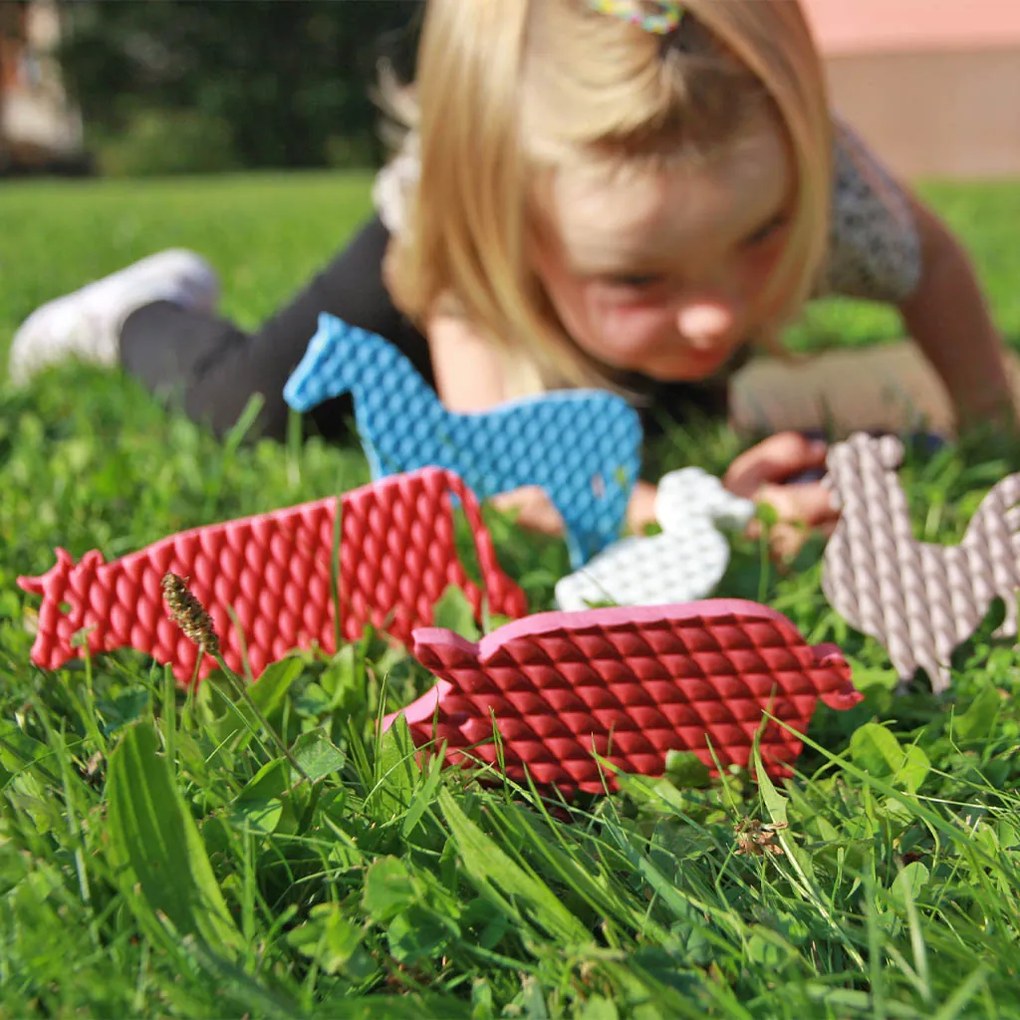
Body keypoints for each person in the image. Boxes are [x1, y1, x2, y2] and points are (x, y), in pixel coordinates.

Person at [9, 0, 1016, 545]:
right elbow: (500, 479)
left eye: (760, 240)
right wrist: (703, 512)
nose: (717, 315)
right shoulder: (469, 245)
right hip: (430, 258)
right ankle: (137, 311)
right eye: (642, 279)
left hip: (571, 292)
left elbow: (939, 277)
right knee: (248, 409)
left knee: (649, 405)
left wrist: (988, 430)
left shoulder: (830, 195)